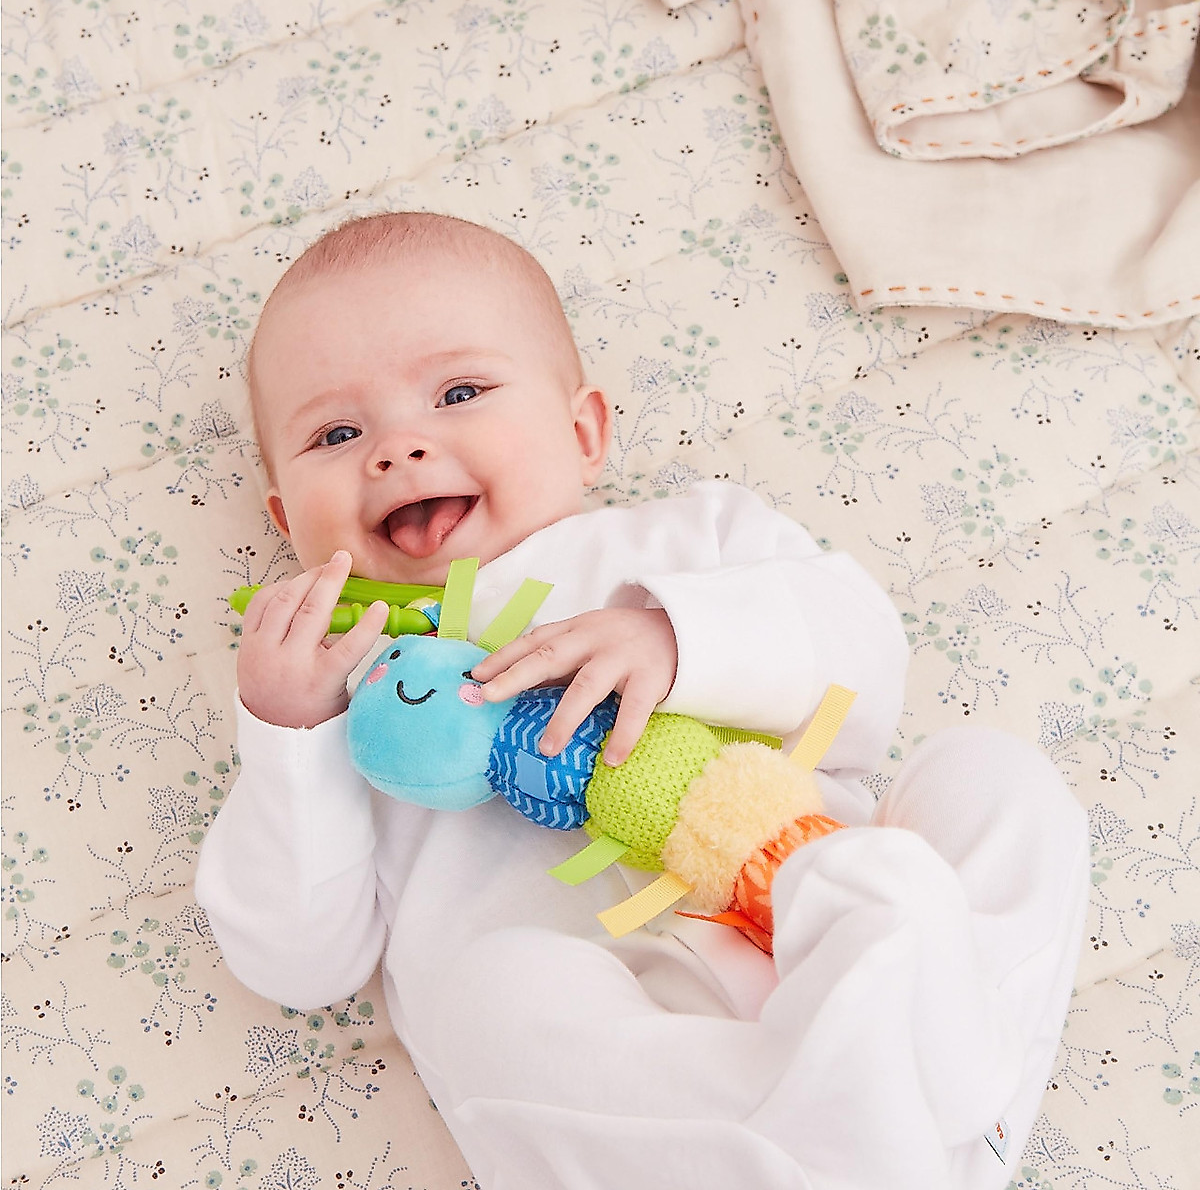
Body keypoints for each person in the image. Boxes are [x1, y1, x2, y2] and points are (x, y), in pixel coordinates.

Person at [195, 212, 1088, 1190]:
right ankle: (921, 1117)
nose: (400, 449)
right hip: (638, 1088)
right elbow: (300, 965)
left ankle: (929, 1096)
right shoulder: (346, 685)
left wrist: (678, 637)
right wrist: (285, 738)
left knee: (991, 780)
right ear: (284, 515)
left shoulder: (684, 544)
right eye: (337, 432)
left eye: (459, 392)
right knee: (494, 996)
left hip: (826, 927)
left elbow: (866, 667)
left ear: (582, 432)